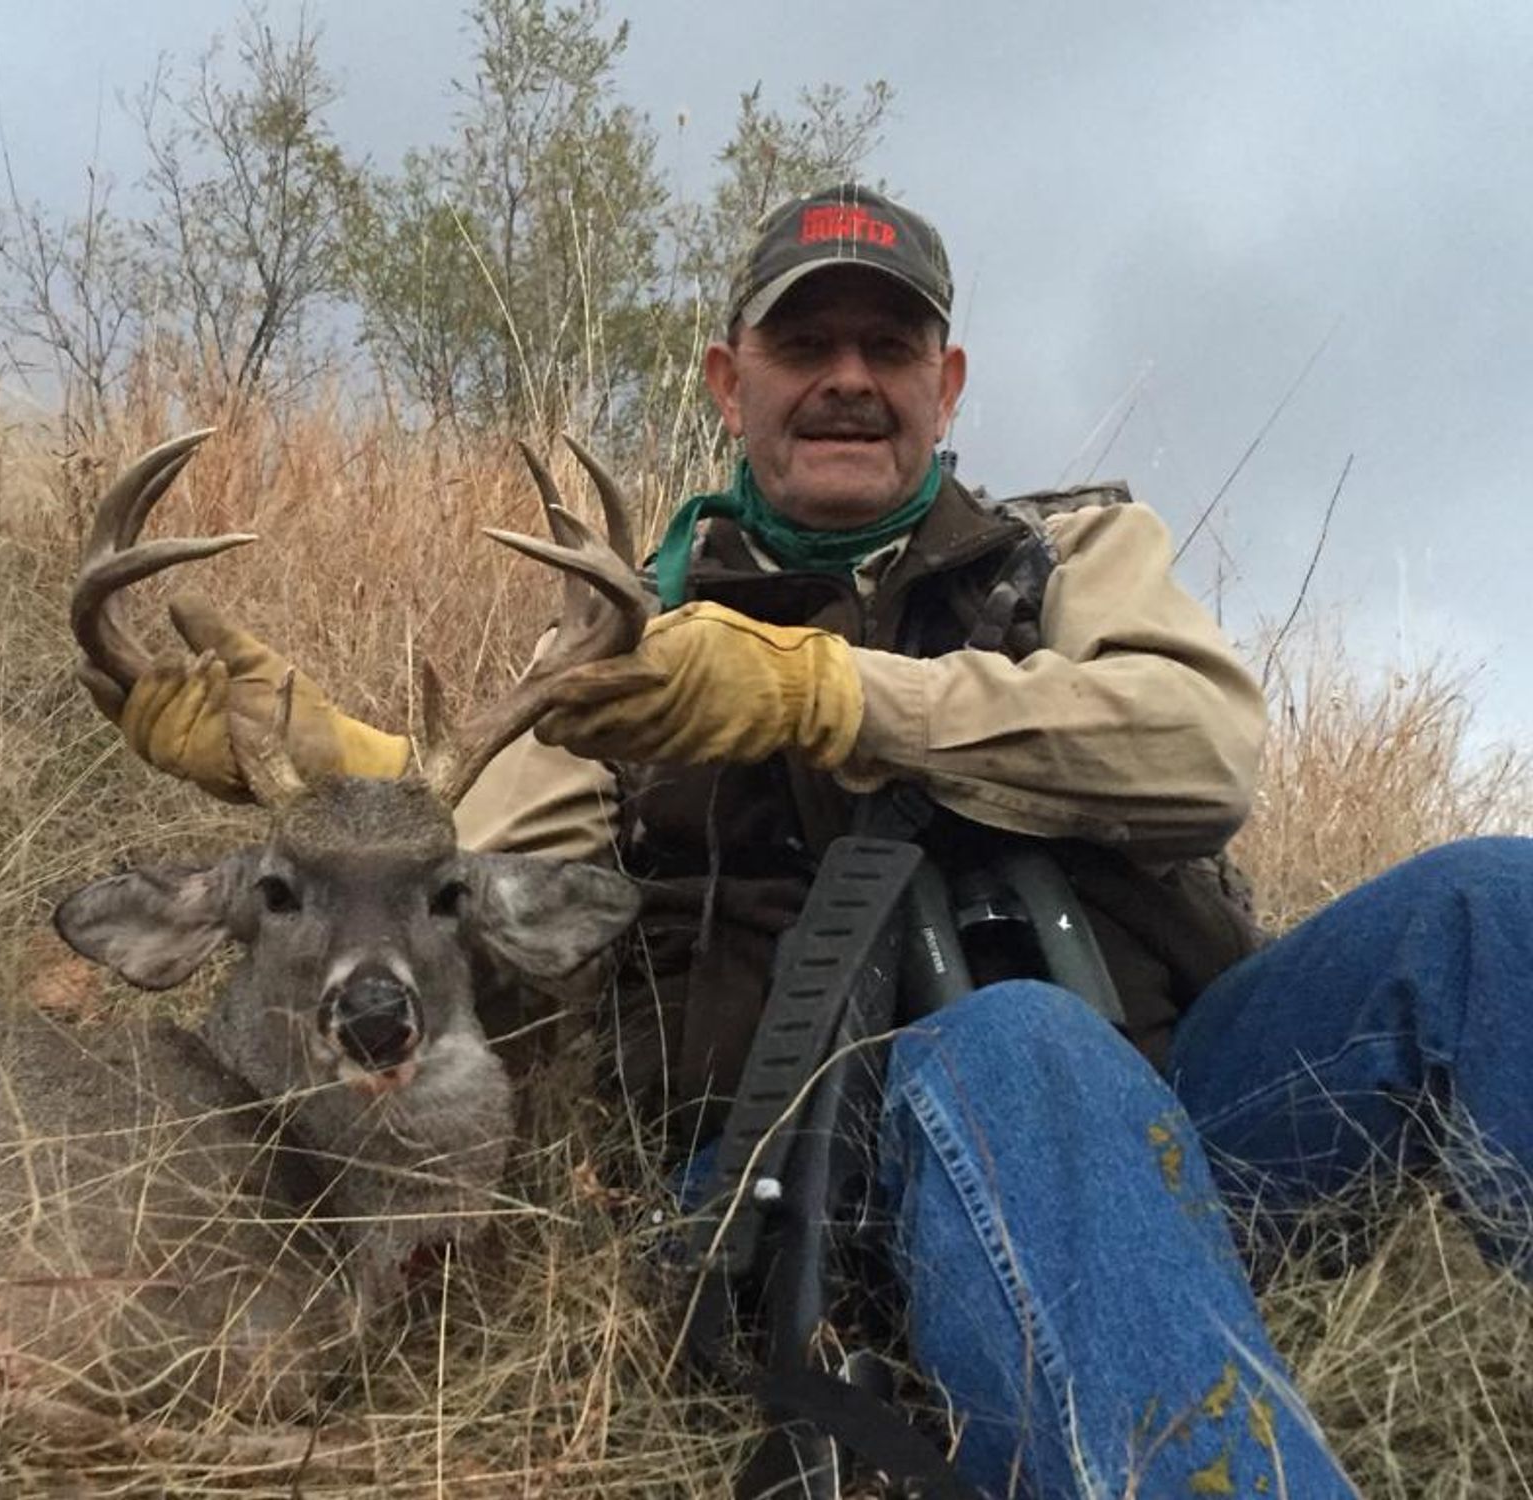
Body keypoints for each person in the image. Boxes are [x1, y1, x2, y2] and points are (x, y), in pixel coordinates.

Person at [111, 184, 1533, 1499]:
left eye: (889, 344)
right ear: (734, 382)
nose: (850, 376)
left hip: (1188, 1128)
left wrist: (826, 690)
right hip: (825, 1207)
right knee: (1020, 1045)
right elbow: (469, 875)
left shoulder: (1072, 558)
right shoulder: (621, 661)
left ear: (945, 383)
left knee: (1488, 904)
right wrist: (319, 765)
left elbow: (1199, 750)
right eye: (806, 344)